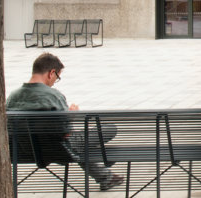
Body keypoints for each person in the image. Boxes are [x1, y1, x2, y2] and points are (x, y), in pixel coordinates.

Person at [7, 53, 124, 191]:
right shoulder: (53, 96)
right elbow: (66, 133)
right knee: (108, 129)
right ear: (51, 73)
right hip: (59, 151)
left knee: (79, 143)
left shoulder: (12, 97)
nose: (54, 81)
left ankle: (106, 177)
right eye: (57, 77)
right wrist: (72, 114)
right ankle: (105, 170)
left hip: (22, 151)